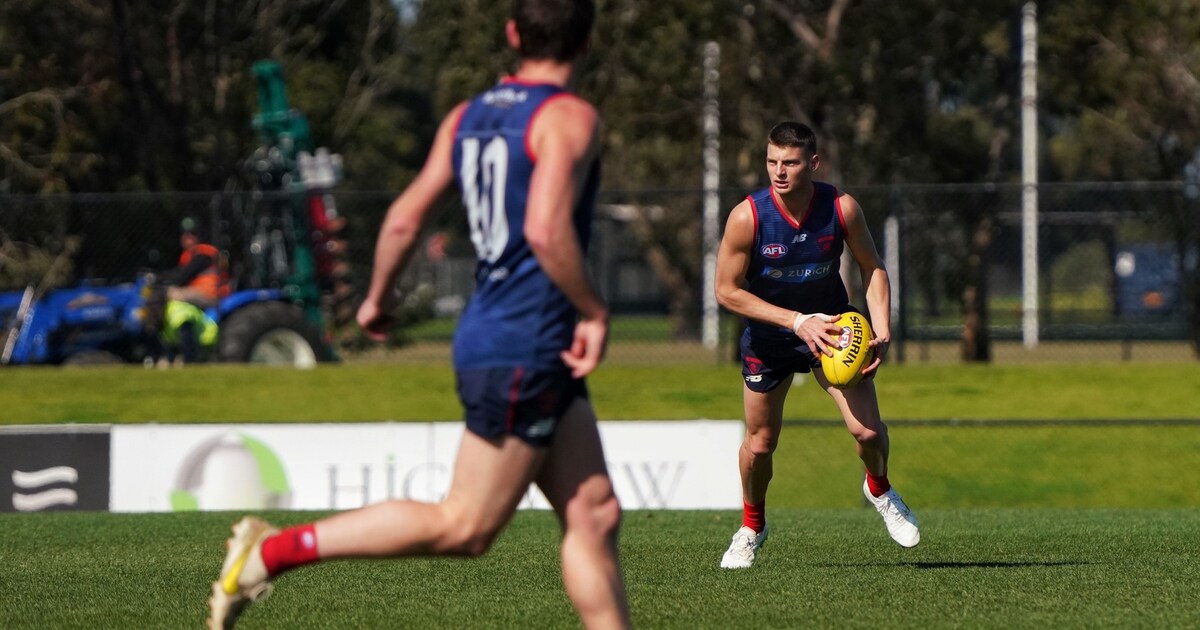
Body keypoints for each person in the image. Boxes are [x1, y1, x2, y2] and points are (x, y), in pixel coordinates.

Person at [207, 1, 631, 628]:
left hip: (510, 334)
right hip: (528, 339)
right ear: (589, 41)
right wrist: (593, 310)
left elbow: (406, 216)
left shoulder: (469, 115)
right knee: (464, 525)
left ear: (512, 33)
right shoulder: (569, 116)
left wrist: (376, 296)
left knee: (593, 513)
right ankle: (270, 552)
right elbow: (545, 229)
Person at [714, 121, 920, 570]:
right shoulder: (747, 216)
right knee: (760, 444)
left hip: (832, 331)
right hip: (770, 338)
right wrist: (794, 321)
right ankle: (752, 526)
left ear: (813, 163)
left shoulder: (841, 208)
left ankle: (880, 489)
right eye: (771, 162)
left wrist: (880, 329)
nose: (779, 172)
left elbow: (874, 268)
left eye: (789, 163)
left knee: (867, 432)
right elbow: (726, 291)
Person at [159, 218, 228, 310]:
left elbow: (183, 276)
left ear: (199, 236)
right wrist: (157, 276)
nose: (187, 236)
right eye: (184, 233)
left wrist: (158, 280)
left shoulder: (204, 254)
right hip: (198, 293)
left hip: (209, 295)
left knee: (167, 294)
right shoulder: (189, 256)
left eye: (192, 233)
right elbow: (177, 273)